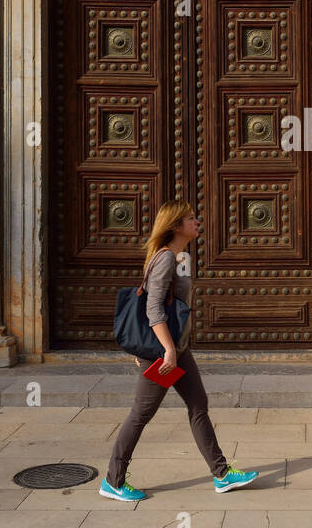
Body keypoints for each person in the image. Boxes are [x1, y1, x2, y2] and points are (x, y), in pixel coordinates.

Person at [100, 199, 259, 500]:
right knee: (141, 414)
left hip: (176, 348)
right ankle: (113, 480)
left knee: (198, 404)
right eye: (190, 218)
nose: (196, 221)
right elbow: (152, 306)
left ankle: (222, 474)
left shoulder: (180, 256)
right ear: (175, 226)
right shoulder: (165, 259)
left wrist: (172, 347)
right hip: (165, 354)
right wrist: (165, 350)